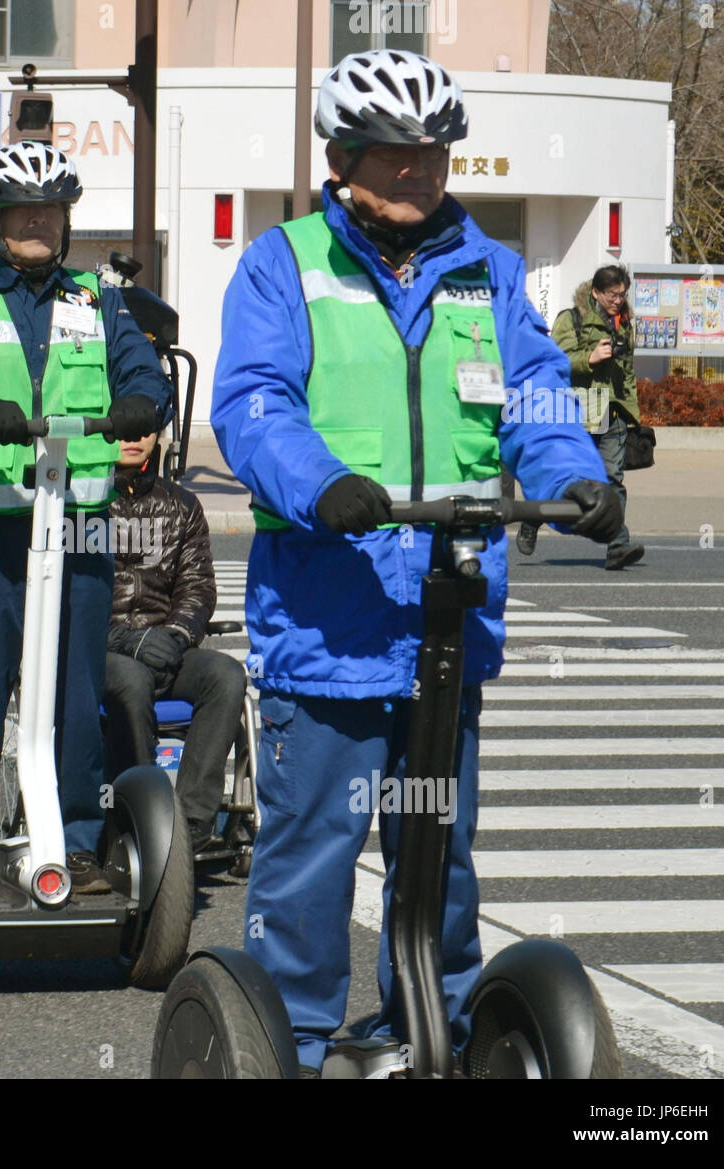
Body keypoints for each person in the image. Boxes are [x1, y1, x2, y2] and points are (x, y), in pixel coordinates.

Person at [210, 50, 622, 1074]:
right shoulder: (284, 261)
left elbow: (532, 397)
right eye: (393, 153)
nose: (416, 170)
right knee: (310, 854)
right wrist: (319, 484)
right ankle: (296, 1044)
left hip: (451, 613)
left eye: (431, 153)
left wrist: (575, 480)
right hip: (328, 616)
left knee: (438, 852)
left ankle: (426, 1035)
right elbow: (253, 404)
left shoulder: (488, 272)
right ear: (343, 156)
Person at [0, 142, 173, 897]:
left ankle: (78, 838)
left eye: (50, 210)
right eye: (23, 209)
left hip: (79, 519)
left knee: (74, 687)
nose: (37, 221)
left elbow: (143, 371)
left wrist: (143, 400)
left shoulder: (97, 300)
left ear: (66, 220)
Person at [102, 427, 246, 854]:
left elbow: (198, 587)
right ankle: (140, 815)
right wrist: (128, 640)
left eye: (144, 428)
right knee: (130, 679)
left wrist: (176, 636)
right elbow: (65, 599)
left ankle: (192, 821)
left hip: (165, 647)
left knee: (226, 674)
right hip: (99, 653)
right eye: (121, 427)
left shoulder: (182, 505)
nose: (133, 437)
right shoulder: (77, 503)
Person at [517, 264, 644, 569]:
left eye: (622, 295)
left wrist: (634, 416)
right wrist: (589, 358)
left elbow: (627, 373)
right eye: (612, 295)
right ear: (596, 292)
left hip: (611, 412)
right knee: (564, 479)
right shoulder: (571, 319)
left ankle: (617, 545)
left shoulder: (624, 322)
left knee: (613, 480)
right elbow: (553, 361)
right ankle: (532, 520)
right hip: (577, 411)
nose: (618, 300)